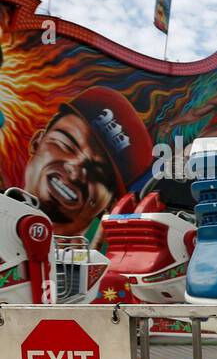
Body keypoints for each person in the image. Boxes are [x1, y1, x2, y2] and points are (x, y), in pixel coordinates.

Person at [22, 86, 154, 244]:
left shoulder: (102, 263)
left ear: (111, 204)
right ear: (37, 141)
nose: (75, 172)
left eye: (97, 174)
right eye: (66, 146)